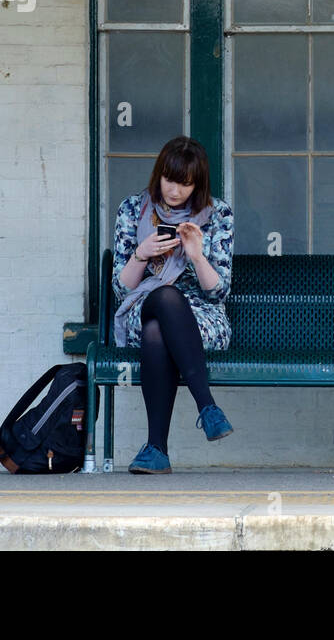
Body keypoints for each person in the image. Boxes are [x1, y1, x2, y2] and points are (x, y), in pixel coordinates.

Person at [111, 136, 235, 474]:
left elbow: (218, 293)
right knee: (163, 298)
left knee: (158, 331)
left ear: (197, 184)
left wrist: (196, 255)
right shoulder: (132, 210)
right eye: (169, 179)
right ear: (158, 175)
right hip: (141, 304)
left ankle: (156, 450)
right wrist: (142, 253)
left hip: (202, 319)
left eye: (184, 183)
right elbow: (121, 290)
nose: (174, 190)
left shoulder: (218, 215)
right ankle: (206, 406)